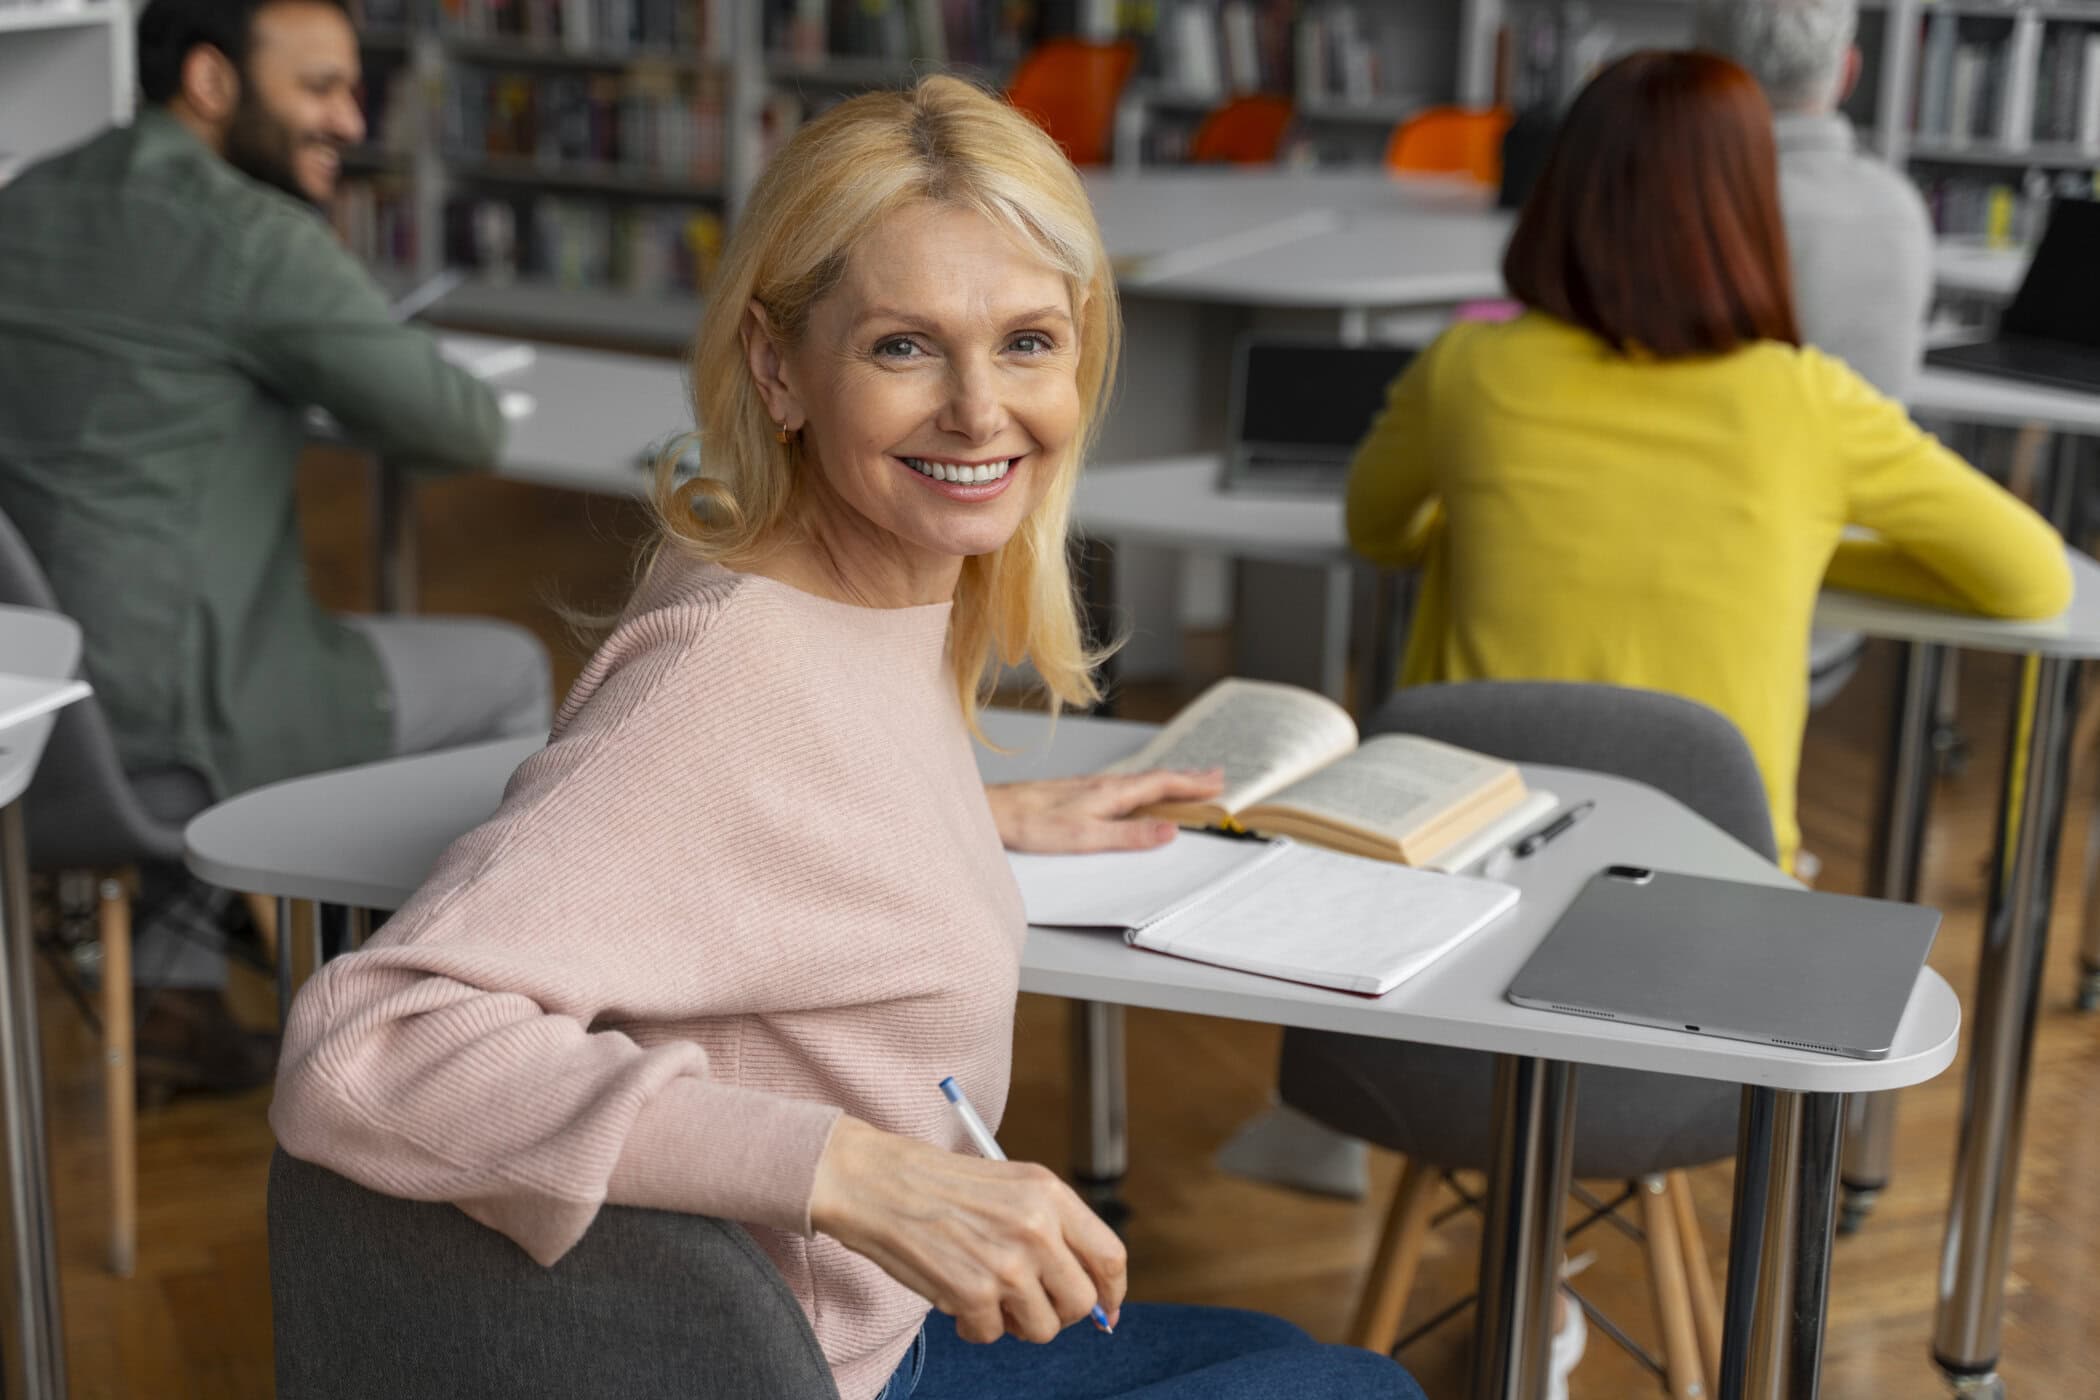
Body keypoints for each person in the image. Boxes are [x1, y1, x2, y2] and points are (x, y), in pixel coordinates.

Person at [268, 76, 1425, 1400]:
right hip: (816, 1366)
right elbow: (369, 1049)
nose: (980, 411)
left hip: (879, 1335)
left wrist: (968, 821)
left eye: (1028, 342)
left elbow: (749, 830)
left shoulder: (862, 579)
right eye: (902, 347)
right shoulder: (731, 669)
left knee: (1297, 1362)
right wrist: (850, 1170)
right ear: (779, 366)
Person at [0, 0, 552, 1094]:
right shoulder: (250, 238)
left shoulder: (25, 202)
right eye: (317, 88)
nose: (349, 119)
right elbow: (456, 427)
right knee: (511, 670)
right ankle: (423, 1028)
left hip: (35, 704)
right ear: (209, 84)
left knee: (174, 619)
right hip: (174, 710)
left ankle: (179, 1000)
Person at [1347, 49, 2067, 875]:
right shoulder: (1810, 401)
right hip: (1718, 872)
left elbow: (1379, 532)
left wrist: (1486, 521)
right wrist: (1799, 547)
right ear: (1750, 209)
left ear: (1561, 192)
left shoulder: (1467, 368)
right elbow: (2029, 580)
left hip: (1466, 856)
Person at [1694, 0, 1934, 400]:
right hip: (1863, 461)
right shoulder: (1901, 207)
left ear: (1702, 72)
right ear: (1849, 72)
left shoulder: (1682, 203)